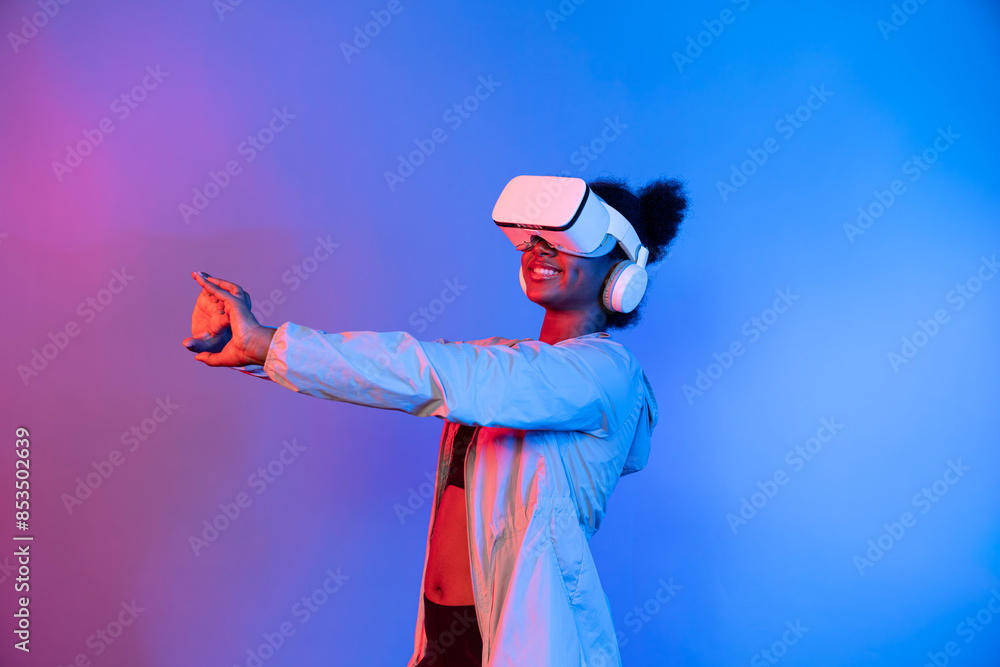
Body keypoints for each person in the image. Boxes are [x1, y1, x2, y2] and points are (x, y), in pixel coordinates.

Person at [182, 175, 688, 666]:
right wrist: (253, 352)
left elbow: (429, 372)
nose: (540, 250)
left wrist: (269, 342)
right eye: (535, 238)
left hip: (526, 646)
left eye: (568, 239)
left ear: (622, 274)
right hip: (442, 641)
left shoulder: (606, 373)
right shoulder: (501, 359)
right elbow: (395, 372)